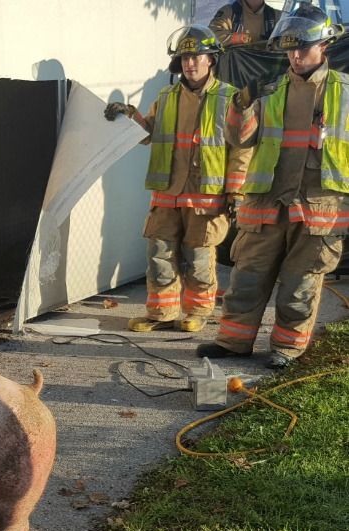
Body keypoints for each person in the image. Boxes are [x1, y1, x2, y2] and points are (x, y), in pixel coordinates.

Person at [197, 2, 347, 369]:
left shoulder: (345, 94)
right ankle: (233, 343)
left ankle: (287, 349)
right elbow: (240, 139)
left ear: (323, 45)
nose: (295, 55)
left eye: (303, 47)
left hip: (319, 209)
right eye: (290, 48)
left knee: (299, 286)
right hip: (267, 204)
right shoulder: (272, 90)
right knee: (247, 278)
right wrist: (242, 104)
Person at [104, 25, 250, 333]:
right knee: (160, 255)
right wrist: (128, 116)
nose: (190, 63)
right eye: (184, 57)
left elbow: (240, 150)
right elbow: (149, 134)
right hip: (168, 195)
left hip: (206, 197)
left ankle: (197, 311)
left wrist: (235, 192)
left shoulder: (229, 98)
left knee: (197, 258)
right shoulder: (167, 96)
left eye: (196, 56)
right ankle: (162, 313)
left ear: (211, 59)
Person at [209, 0, 282, 47]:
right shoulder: (229, 12)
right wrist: (238, 39)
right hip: (234, 68)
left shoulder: (276, 16)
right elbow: (211, 36)